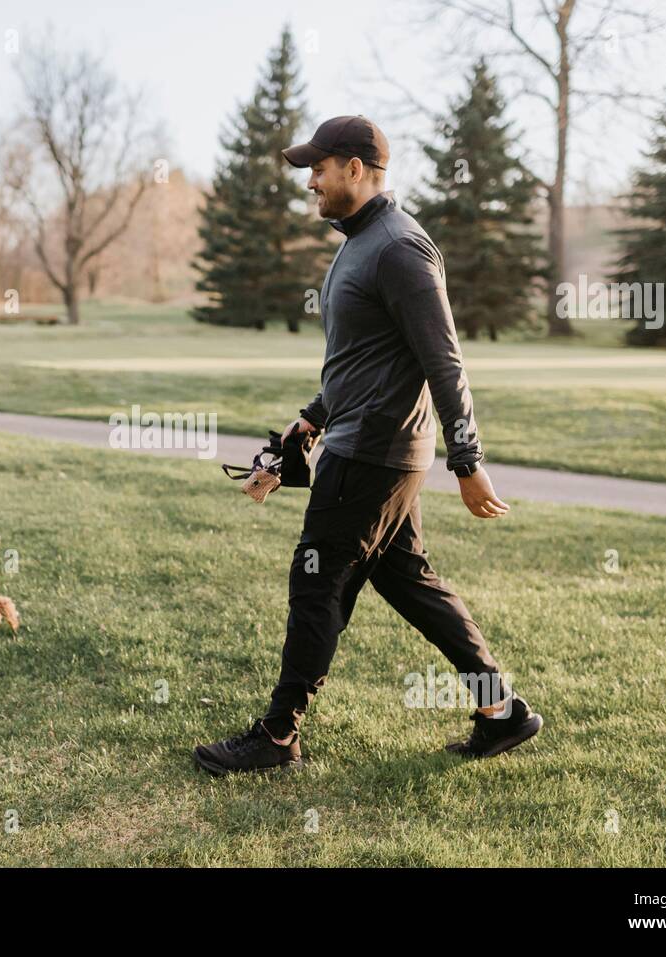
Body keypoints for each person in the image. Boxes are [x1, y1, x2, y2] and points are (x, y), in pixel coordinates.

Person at [194, 115, 542, 776]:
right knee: (410, 581)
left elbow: (444, 363)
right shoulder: (357, 244)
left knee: (316, 581)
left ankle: (276, 735)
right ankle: (503, 712)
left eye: (319, 170)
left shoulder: (401, 248)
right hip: (363, 444)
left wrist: (468, 461)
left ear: (355, 167)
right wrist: (309, 422)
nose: (312, 184)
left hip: (375, 454)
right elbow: (358, 359)